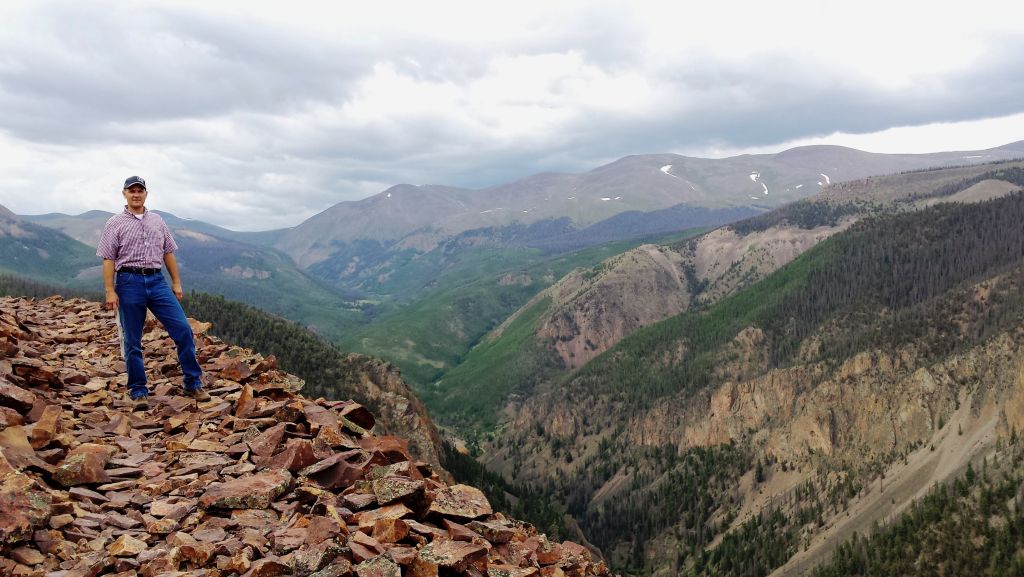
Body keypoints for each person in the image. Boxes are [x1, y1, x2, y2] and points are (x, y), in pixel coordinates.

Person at [96, 175, 211, 410]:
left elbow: (168, 252)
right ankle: (138, 390)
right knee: (132, 338)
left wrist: (176, 282)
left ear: (146, 194)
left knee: (183, 329)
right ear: (124, 194)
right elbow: (108, 258)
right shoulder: (114, 223)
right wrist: (110, 290)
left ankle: (193, 382)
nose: (136, 194)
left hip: (157, 281)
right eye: (132, 191)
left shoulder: (158, 221)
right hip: (129, 281)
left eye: (140, 190)